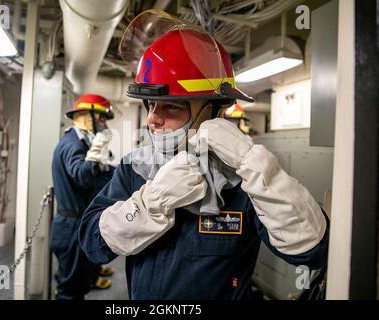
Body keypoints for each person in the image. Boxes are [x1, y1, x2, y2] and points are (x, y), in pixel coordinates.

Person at [79, 10, 329, 300]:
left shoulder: (243, 180)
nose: (152, 119)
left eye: (171, 106)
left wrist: (253, 165)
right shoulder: (135, 168)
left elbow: (313, 252)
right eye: (150, 104)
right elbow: (93, 244)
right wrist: (151, 202)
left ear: (213, 109)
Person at [50, 94, 116, 300]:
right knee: (70, 291)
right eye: (102, 118)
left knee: (79, 281)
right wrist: (95, 154)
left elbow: (96, 177)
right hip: (71, 226)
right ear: (89, 117)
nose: (104, 124)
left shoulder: (81, 142)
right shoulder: (73, 144)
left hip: (77, 223)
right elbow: (82, 176)